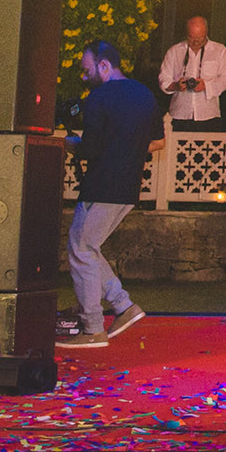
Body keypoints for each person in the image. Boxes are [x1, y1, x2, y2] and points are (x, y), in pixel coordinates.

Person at [60, 41, 158, 348]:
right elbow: (157, 143)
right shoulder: (145, 95)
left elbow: (90, 148)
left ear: (104, 66)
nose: (84, 76)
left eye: (87, 70)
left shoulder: (98, 97)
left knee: (81, 249)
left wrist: (73, 144)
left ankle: (93, 327)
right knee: (88, 247)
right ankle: (123, 306)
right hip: (129, 188)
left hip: (101, 185)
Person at [158, 13, 226, 126]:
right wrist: (176, 86)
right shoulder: (174, 51)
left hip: (209, 115)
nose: (195, 42)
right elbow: (163, 78)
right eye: (191, 37)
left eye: (199, 38)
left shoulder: (220, 50)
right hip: (179, 115)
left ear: (206, 33)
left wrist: (206, 86)